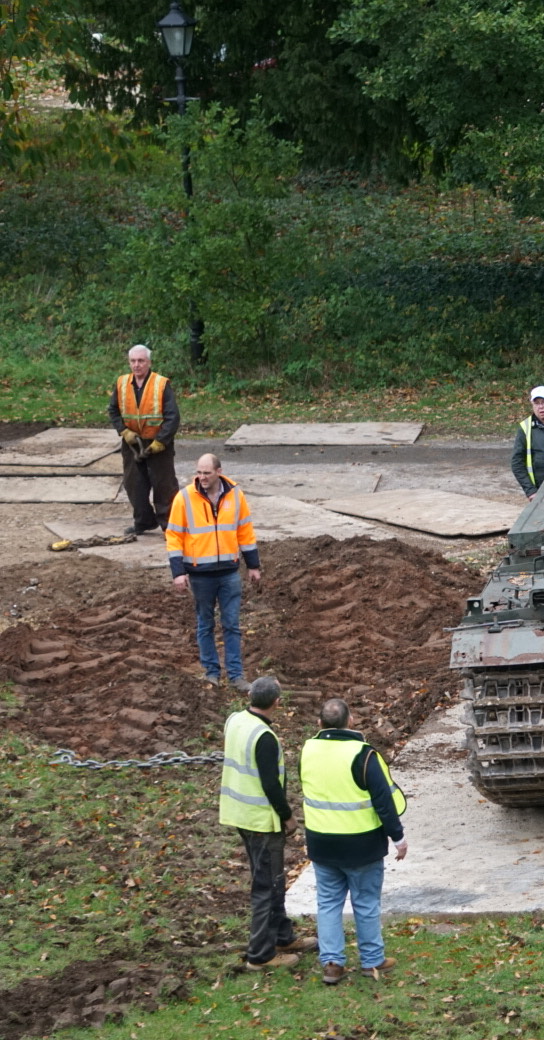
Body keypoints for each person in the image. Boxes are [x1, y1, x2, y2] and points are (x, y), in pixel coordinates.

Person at [301, 698, 408, 985]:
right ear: (351, 722)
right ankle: (372, 960)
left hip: (322, 844)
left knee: (328, 904)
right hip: (362, 847)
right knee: (366, 903)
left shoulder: (308, 750)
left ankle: (332, 963)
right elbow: (384, 801)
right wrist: (398, 837)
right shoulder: (364, 755)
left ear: (319, 724)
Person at [219, 676, 317, 970]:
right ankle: (261, 955)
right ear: (277, 703)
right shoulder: (264, 737)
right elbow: (271, 785)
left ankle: (283, 936)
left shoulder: (234, 720)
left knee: (273, 881)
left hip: (239, 813)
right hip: (261, 820)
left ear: (249, 695)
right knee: (266, 886)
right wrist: (288, 817)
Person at [166, 453, 261, 690]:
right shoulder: (185, 498)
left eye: (207, 473)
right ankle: (211, 672)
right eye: (199, 472)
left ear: (219, 471)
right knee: (205, 624)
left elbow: (245, 531)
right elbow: (174, 536)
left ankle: (236, 675)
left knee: (232, 624)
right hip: (200, 575)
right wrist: (178, 572)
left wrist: (253, 565)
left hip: (229, 572)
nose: (202, 477)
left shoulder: (236, 495)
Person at [107, 344, 179, 536]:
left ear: (149, 362)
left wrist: (161, 441)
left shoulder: (161, 384)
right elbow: (113, 410)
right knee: (134, 484)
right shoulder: (122, 383)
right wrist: (124, 431)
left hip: (158, 443)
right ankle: (144, 521)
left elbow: (173, 416)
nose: (137, 365)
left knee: (164, 485)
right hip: (133, 444)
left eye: (141, 361)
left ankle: (169, 526)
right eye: (133, 361)